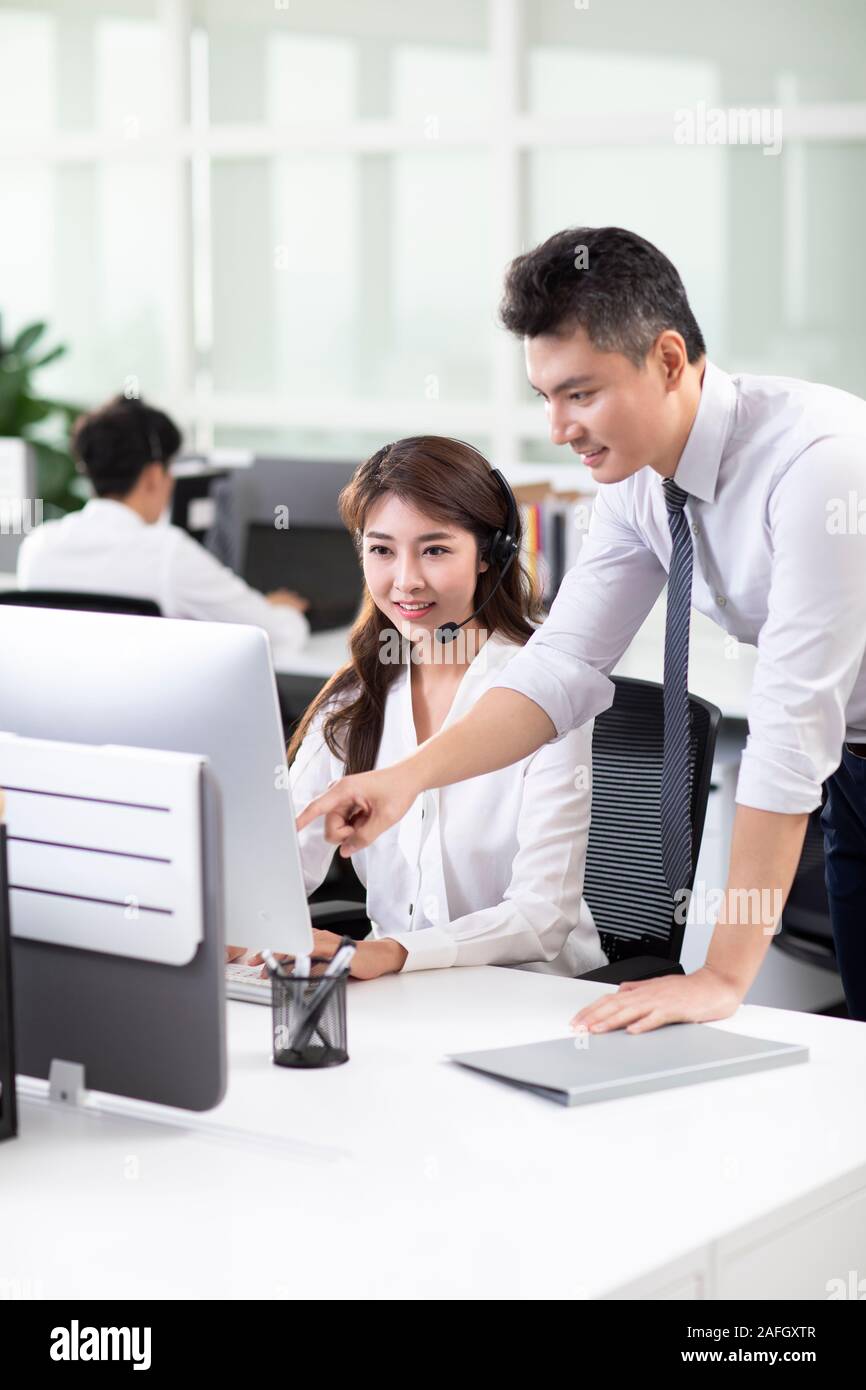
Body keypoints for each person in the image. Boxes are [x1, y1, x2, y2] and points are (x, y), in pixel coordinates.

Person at [298, 226, 866, 1031]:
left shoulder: (821, 464)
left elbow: (790, 719)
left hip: (829, 738)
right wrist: (407, 778)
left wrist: (720, 975)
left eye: (581, 393)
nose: (560, 426)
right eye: (545, 397)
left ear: (669, 360)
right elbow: (558, 671)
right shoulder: (637, 486)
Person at [231, 435, 606, 979]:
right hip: (397, 997)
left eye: (435, 549)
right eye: (382, 550)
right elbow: (282, 865)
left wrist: (391, 954)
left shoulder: (543, 694)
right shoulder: (355, 697)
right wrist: (229, 931)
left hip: (534, 1002)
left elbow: (541, 917)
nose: (405, 579)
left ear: (489, 556)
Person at [16, 393, 310, 660]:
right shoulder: (167, 554)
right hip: (148, 716)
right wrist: (284, 612)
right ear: (155, 475)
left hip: (55, 717)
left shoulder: (38, 546)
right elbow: (272, 635)